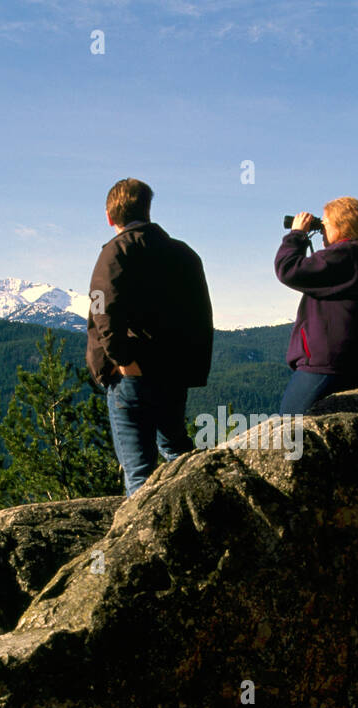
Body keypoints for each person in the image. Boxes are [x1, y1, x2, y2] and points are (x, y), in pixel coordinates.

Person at [86, 178, 214, 496]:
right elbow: (201, 314)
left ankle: (145, 543)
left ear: (109, 216)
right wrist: (189, 368)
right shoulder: (184, 254)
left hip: (133, 374)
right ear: (148, 209)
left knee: (139, 471)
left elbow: (102, 307)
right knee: (177, 454)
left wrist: (122, 360)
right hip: (173, 372)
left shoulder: (116, 253)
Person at [274, 197, 358, 415]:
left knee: (290, 430)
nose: (321, 229)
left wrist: (297, 235)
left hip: (327, 366)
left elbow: (288, 269)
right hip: (355, 363)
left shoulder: (346, 255)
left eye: (325, 223)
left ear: (343, 226)